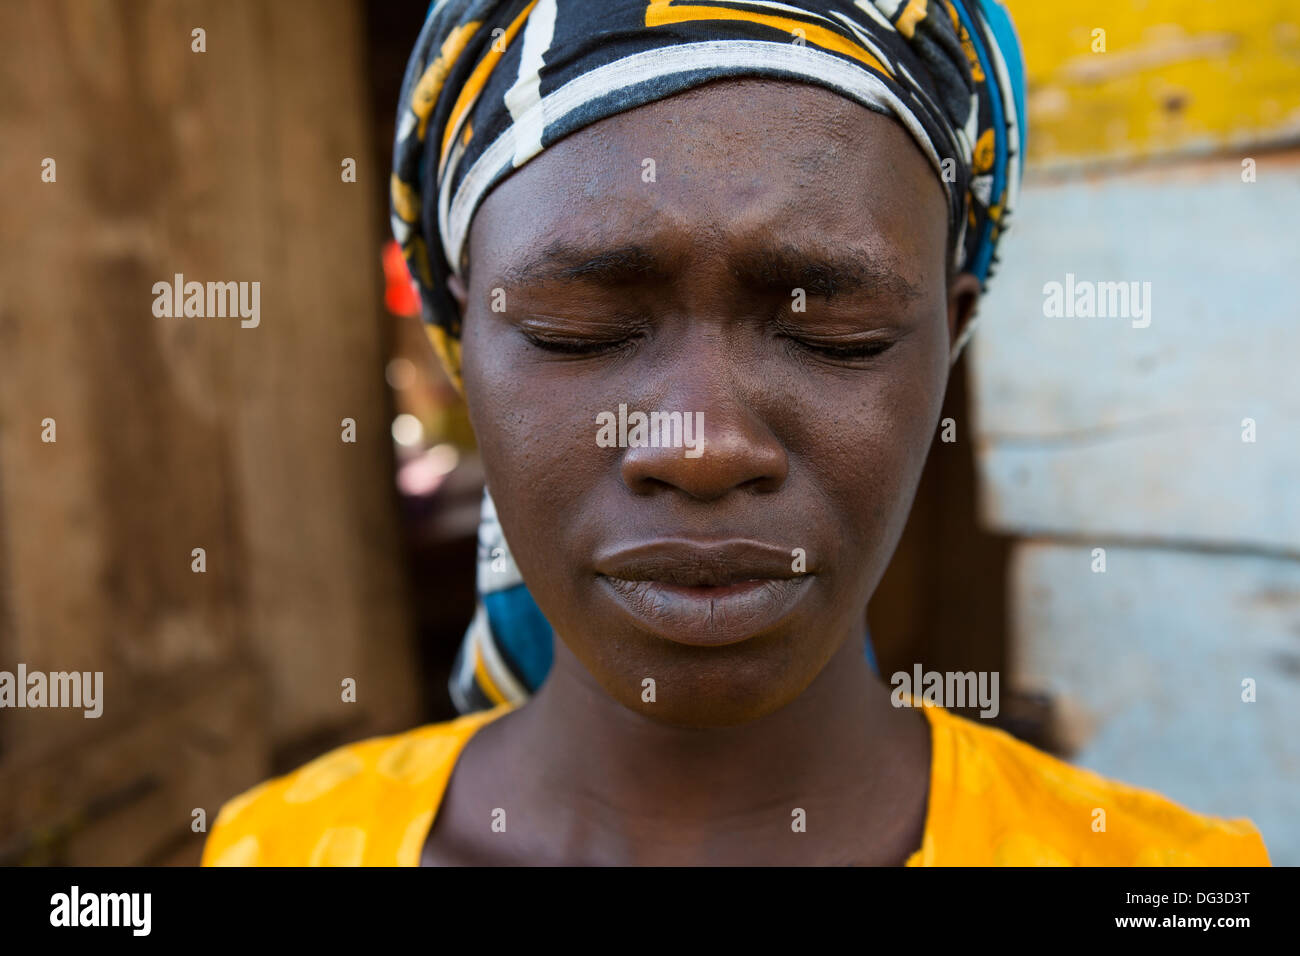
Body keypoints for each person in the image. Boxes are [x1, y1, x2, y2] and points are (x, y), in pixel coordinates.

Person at [202, 0, 1270, 866]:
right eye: (575, 331)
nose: (702, 445)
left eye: (838, 332)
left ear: (950, 337)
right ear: (456, 339)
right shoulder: (276, 848)